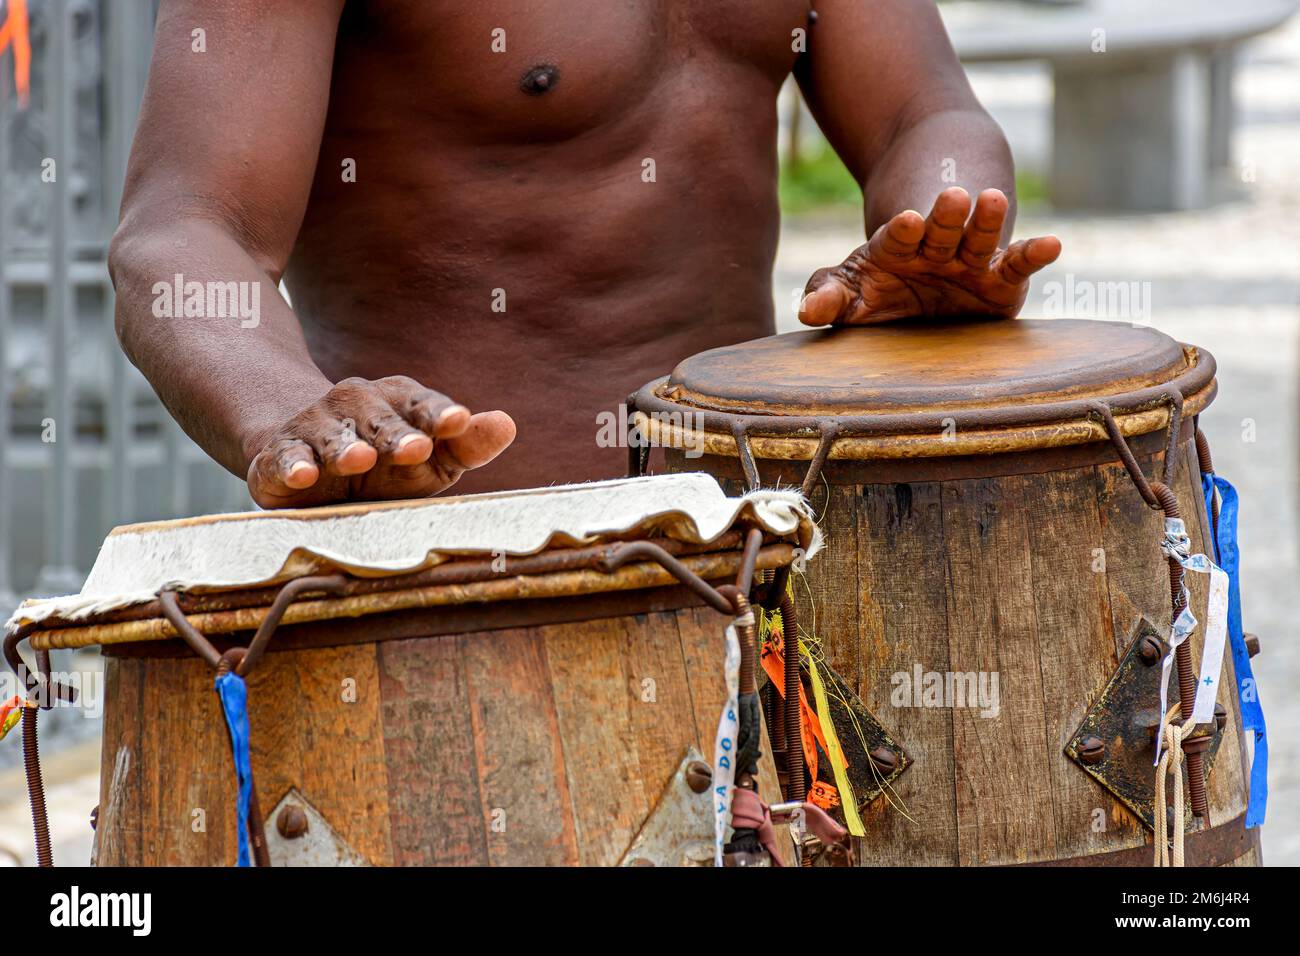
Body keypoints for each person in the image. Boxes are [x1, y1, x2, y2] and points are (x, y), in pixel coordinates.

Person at [109, 0, 1060, 507]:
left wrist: (942, 221)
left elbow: (923, 111)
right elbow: (182, 235)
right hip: (440, 574)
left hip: (758, 546)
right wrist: (290, 415)